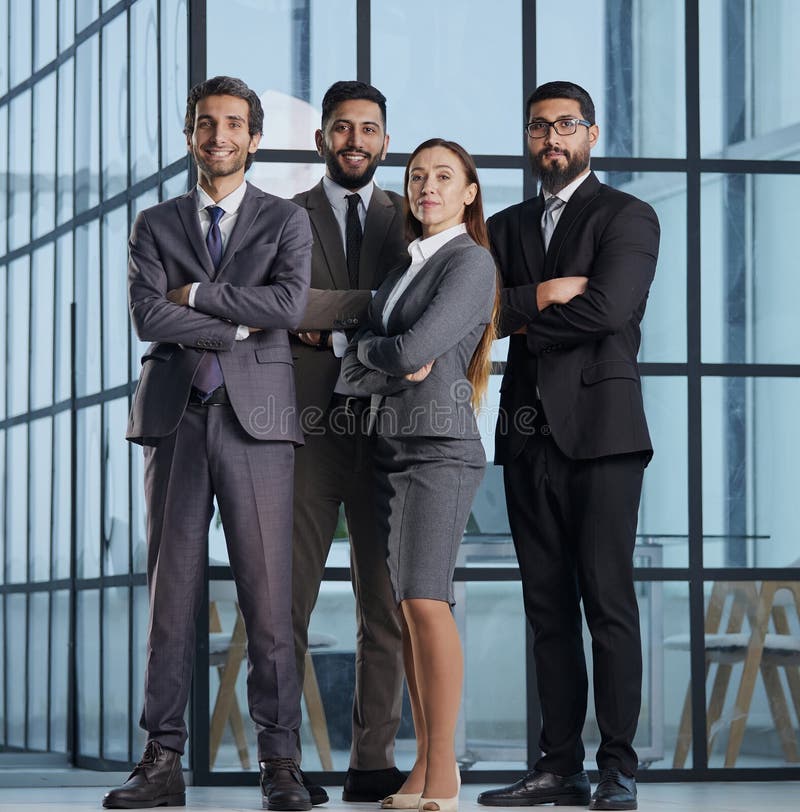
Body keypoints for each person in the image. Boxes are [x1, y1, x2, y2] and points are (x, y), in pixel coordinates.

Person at [103, 76, 313, 811]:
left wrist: (192, 296)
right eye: (205, 123)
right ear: (190, 134)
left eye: (231, 124)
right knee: (170, 598)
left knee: (268, 600)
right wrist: (237, 324)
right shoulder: (155, 223)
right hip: (176, 419)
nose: (217, 135)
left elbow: (289, 304)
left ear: (254, 138)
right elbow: (148, 317)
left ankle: (280, 762)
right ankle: (161, 759)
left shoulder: (286, 220)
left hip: (259, 423)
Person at [476, 82, 659, 812]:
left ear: (591, 133)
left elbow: (610, 308)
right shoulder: (503, 226)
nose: (551, 138)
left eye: (565, 125)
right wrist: (544, 297)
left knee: (608, 604)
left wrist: (520, 317)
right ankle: (558, 767)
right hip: (526, 438)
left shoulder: (627, 215)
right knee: (547, 610)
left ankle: (618, 768)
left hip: (603, 435)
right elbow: (474, 314)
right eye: (538, 127)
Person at [341, 138, 498, 812]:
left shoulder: (471, 262)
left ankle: (444, 772)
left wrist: (375, 352)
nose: (427, 186)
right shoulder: (407, 265)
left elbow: (413, 350)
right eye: (416, 177)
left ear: (469, 192)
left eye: (443, 176)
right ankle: (423, 768)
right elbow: (366, 361)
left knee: (428, 602)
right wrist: (379, 353)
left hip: (439, 449)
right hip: (392, 446)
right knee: (408, 611)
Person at [288, 81, 409, 803]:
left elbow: (422, 308)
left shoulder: (413, 215)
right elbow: (281, 304)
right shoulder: (284, 218)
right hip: (308, 433)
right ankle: (281, 760)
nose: (355, 140)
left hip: (392, 431)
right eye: (342, 127)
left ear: (385, 141)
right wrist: (376, 310)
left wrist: (327, 324)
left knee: (385, 607)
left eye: (368, 128)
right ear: (322, 139)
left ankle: (372, 762)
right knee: (287, 605)